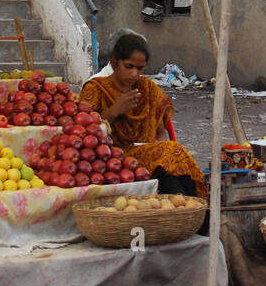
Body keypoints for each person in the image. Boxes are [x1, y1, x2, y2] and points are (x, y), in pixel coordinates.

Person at [79, 32, 206, 198]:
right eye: (129, 66)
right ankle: (190, 206)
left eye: (140, 68)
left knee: (172, 158)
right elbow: (82, 134)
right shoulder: (95, 88)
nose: (134, 74)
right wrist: (113, 111)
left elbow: (160, 132)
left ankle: (189, 205)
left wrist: (160, 156)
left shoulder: (146, 87)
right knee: (170, 156)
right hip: (109, 158)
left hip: (145, 153)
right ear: (114, 62)